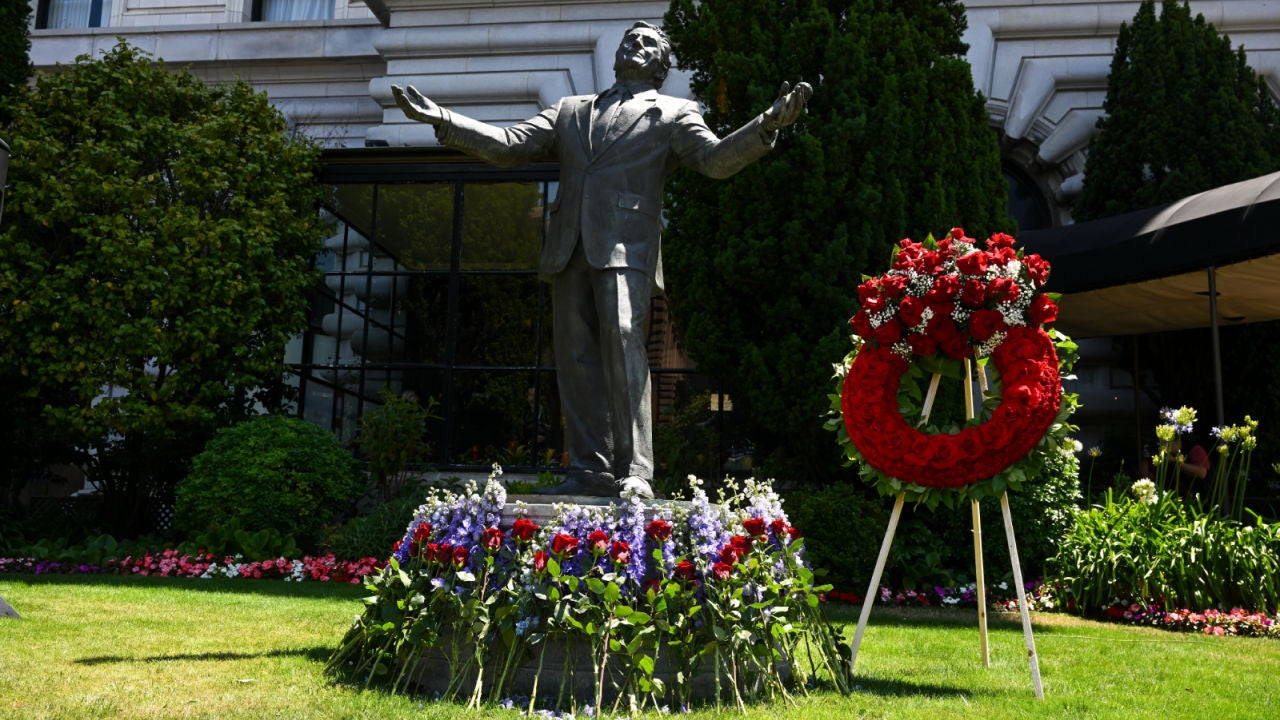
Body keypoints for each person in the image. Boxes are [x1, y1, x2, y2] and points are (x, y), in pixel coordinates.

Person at [392, 21, 812, 499]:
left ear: (661, 64)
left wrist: (766, 125)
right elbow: (511, 146)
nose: (635, 44)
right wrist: (444, 119)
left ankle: (637, 469)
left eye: (648, 42)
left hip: (625, 248)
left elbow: (714, 161)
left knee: (625, 339)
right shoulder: (572, 110)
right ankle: (589, 468)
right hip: (568, 247)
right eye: (629, 39)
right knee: (574, 359)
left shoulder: (673, 112)